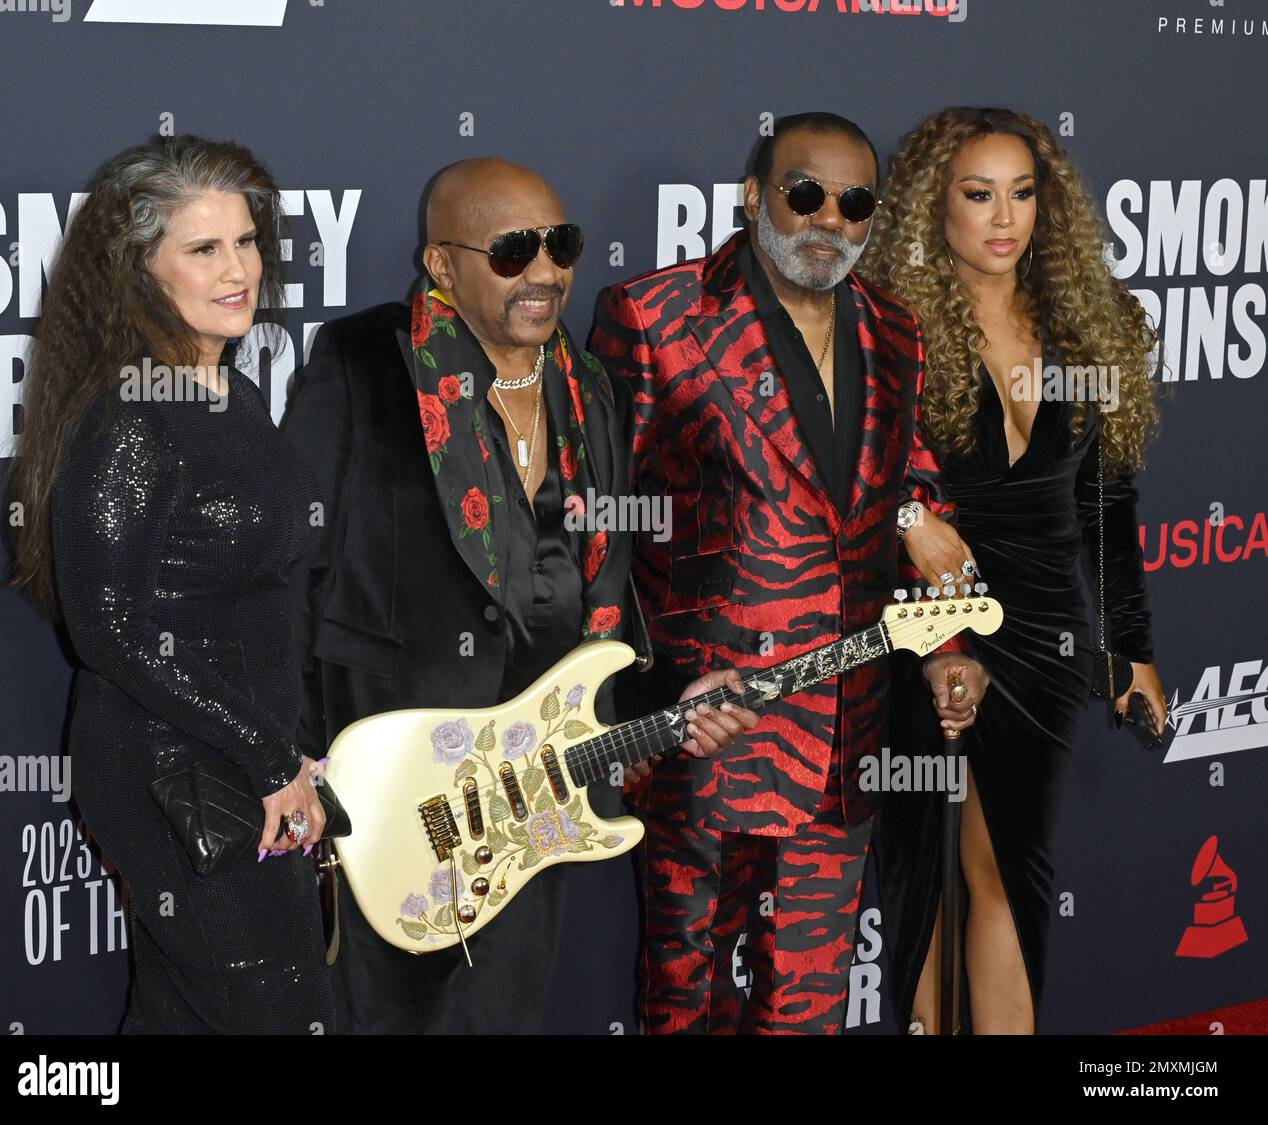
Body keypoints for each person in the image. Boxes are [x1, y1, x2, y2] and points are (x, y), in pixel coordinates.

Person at [280, 157, 757, 1034]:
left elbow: (602, 588)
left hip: (535, 784)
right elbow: (292, 571)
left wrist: (660, 698)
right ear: (441, 264)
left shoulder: (592, 391)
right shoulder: (362, 363)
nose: (544, 271)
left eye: (559, 245)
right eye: (511, 250)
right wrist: (297, 752)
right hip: (388, 786)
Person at [589, 112, 988, 1034]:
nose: (830, 222)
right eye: (804, 194)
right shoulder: (656, 316)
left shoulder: (896, 329)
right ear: (753, 195)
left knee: (808, 1001)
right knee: (686, 994)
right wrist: (644, 700)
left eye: (856, 204)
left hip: (842, 729)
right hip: (705, 726)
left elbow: (912, 489)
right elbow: (600, 529)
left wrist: (946, 642)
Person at [6, 135, 334, 1033]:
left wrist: (287, 748)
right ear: (139, 271)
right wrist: (267, 757)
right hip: (164, 766)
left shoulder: (235, 395)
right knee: (268, 1001)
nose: (239, 270)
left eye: (246, 240)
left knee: (192, 1010)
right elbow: (108, 631)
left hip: (246, 750)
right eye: (203, 249)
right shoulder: (129, 419)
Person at [863, 106, 1165, 1033]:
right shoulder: (891, 326)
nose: (1006, 218)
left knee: (1006, 868)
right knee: (925, 867)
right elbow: (851, 482)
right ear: (933, 206)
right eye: (979, 193)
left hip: (1044, 636)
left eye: (1024, 193)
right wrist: (910, 521)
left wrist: (1132, 648)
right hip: (924, 625)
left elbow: (1106, 507)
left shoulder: (1089, 327)